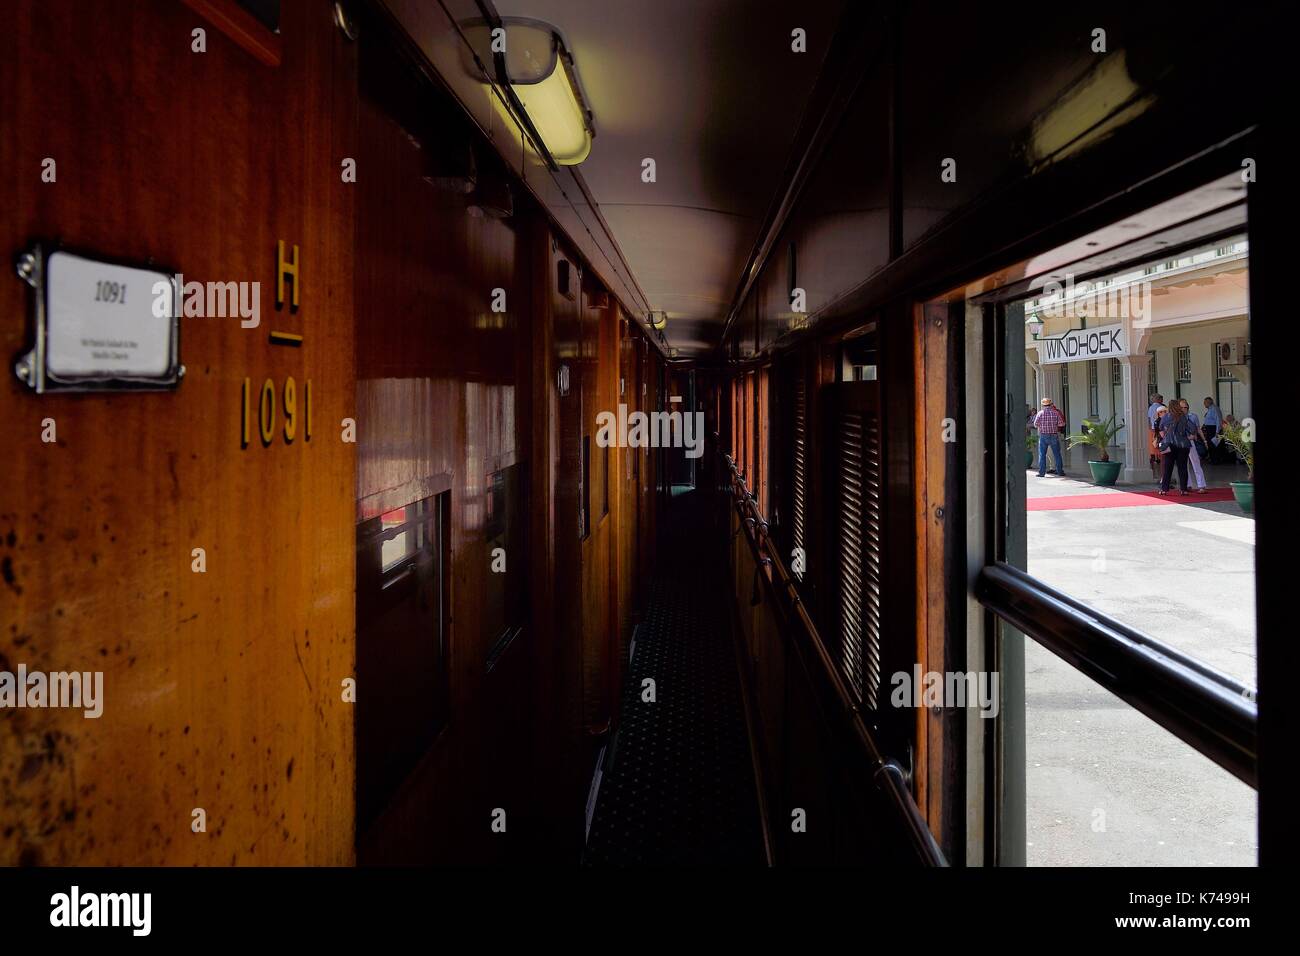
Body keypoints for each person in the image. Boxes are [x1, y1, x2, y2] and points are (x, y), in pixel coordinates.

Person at [1157, 400, 1196, 495]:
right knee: (1183, 467)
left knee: (1168, 467)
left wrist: (1166, 436)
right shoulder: (1184, 417)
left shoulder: (1166, 416)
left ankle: (1164, 489)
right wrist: (1186, 435)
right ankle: (1183, 489)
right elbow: (1192, 428)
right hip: (1183, 445)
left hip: (1170, 445)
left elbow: (1161, 429)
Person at [1179, 398, 1208, 493]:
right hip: (1181, 443)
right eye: (1182, 407)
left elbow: (1198, 429)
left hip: (1190, 442)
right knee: (1184, 465)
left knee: (1196, 463)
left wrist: (1204, 440)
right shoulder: (1177, 417)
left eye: (1185, 407)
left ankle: (1201, 485)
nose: (1184, 409)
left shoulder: (1193, 416)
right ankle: (1187, 485)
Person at [1033, 397, 1065, 477]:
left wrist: (1042, 426)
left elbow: (1035, 424)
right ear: (1050, 404)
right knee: (1057, 454)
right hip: (1054, 435)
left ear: (1043, 405)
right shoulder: (1056, 413)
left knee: (1042, 454)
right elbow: (1062, 424)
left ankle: (1041, 473)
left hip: (1043, 435)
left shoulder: (1040, 413)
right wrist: (1055, 425)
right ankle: (1060, 471)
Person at [1202, 397, 1224, 463]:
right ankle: (1212, 459)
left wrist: (1217, 431)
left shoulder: (1214, 408)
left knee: (1214, 444)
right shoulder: (1210, 409)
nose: (1204, 404)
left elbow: (1218, 420)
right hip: (1209, 429)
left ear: (1209, 402)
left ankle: (1216, 460)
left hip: (1213, 429)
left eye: (1205, 402)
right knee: (1210, 444)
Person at [1148, 403, 1166, 481]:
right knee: (1163, 460)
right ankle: (1163, 478)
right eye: (1162, 412)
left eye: (1165, 412)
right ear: (1159, 413)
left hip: (1166, 441)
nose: (1164, 413)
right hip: (1162, 442)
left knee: (1166, 460)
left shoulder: (1165, 420)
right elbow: (1159, 432)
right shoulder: (1158, 421)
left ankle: (1165, 477)